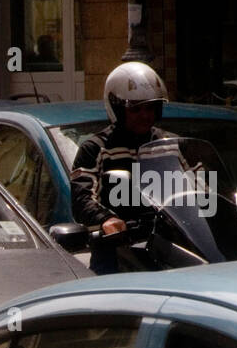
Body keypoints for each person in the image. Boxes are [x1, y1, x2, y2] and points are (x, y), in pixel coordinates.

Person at [69, 61, 170, 275]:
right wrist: (106, 220)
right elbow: (82, 198)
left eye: (150, 108)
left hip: (166, 245)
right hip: (116, 247)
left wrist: (230, 207)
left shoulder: (168, 145)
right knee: (104, 298)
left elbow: (198, 184)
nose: (145, 115)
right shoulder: (97, 149)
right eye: (136, 109)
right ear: (117, 108)